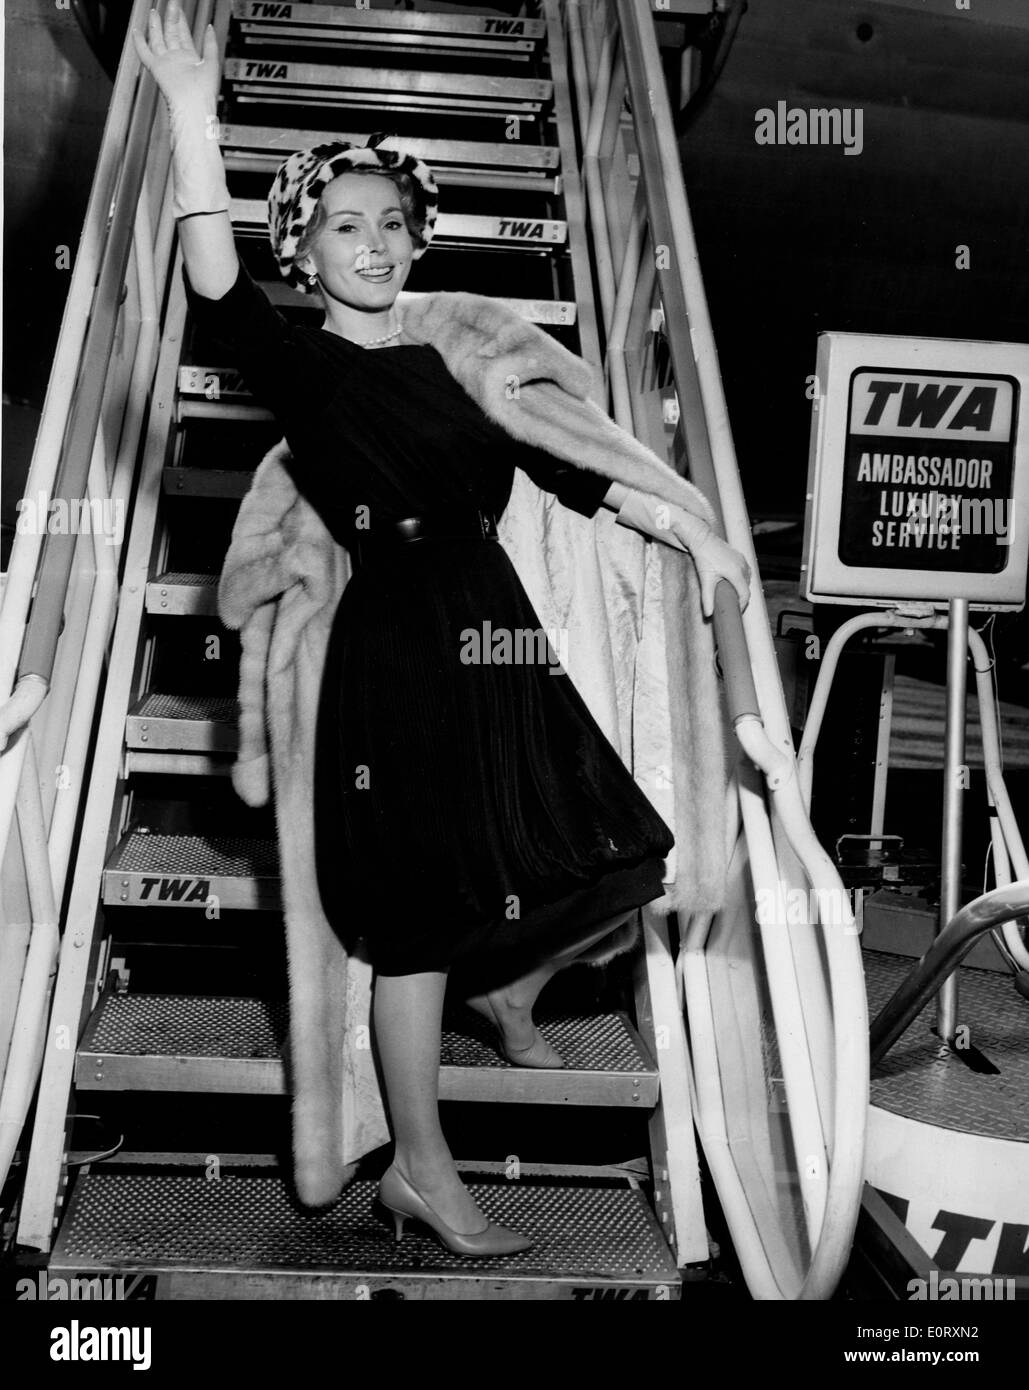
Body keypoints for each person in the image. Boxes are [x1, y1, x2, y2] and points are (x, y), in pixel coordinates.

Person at [134, 2, 750, 1257]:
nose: (375, 245)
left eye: (391, 226)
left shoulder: (447, 362)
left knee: (619, 843)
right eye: (344, 227)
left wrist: (688, 528)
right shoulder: (312, 370)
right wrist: (196, 116)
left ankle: (514, 985)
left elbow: (570, 472)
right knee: (412, 925)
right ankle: (426, 1171)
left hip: (495, 636)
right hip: (401, 652)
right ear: (303, 253)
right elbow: (213, 287)